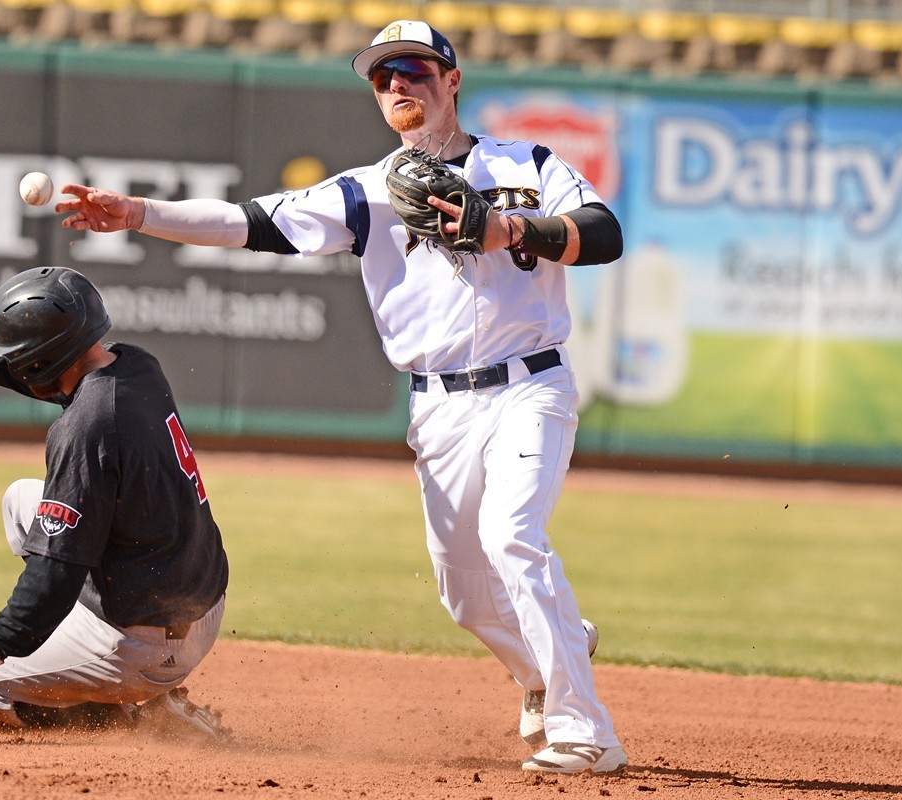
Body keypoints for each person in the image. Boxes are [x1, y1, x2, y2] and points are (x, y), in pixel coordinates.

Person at [54, 20, 626, 775]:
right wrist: (139, 214)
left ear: (452, 80)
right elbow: (251, 223)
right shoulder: (368, 191)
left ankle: (585, 731)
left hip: (531, 384)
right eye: (383, 77)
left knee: (513, 537)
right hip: (441, 406)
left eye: (415, 71)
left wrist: (511, 226)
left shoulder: (526, 162)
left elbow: (604, 231)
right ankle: (544, 662)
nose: (398, 85)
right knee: (467, 598)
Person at [0, 265, 230, 741]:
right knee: (22, 500)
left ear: (39, 361)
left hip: (145, 643)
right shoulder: (137, 366)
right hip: (196, 600)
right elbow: (67, 379)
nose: (14, 362)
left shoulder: (83, 430)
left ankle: (145, 719)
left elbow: (53, 578)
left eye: (16, 356)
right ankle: (97, 663)